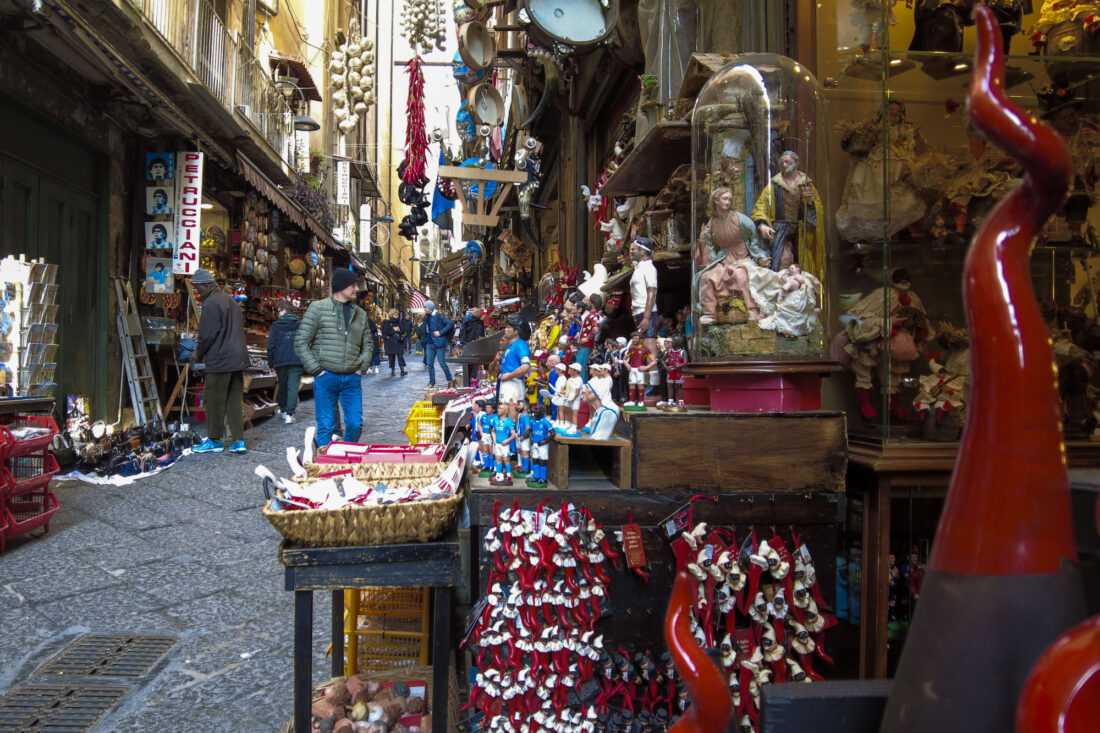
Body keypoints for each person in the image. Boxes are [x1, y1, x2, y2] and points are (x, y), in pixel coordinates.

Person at [838, 267, 933, 421]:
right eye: (900, 278)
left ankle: (892, 410)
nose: (904, 281)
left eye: (906, 278)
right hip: (873, 341)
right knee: (864, 371)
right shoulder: (881, 296)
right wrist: (887, 322)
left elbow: (921, 320)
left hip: (895, 344)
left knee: (892, 376)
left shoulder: (913, 298)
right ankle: (865, 407)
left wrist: (919, 325)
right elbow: (858, 317)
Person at [294, 268, 373, 447]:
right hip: (326, 376)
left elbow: (368, 343)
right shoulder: (317, 309)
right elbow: (301, 342)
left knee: (355, 424)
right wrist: (316, 369)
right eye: (353, 285)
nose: (356, 289)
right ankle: (327, 464)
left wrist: (362, 366)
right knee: (326, 425)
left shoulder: (360, 313)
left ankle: (346, 454)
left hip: (352, 377)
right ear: (341, 287)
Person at [835, 100, 926, 243]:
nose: (894, 115)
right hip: (876, 161)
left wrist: (913, 134)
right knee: (870, 189)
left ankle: (896, 230)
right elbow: (861, 140)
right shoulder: (876, 127)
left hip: (897, 163)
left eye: (897, 112)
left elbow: (913, 146)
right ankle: (877, 232)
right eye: (891, 112)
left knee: (896, 194)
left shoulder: (904, 129)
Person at [189, 269, 250, 454]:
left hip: (220, 358)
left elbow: (207, 335)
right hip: (237, 358)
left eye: (198, 288)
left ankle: (214, 439)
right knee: (233, 399)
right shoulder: (231, 301)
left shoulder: (210, 303)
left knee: (214, 400)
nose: (198, 292)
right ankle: (239, 441)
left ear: (206, 285)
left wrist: (197, 354)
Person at [695, 186, 772, 326]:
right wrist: (701, 240)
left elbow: (754, 243)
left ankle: (751, 311)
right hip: (723, 259)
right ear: (716, 201)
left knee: (740, 276)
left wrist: (760, 257)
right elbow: (710, 250)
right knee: (708, 276)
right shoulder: (711, 224)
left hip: (743, 258)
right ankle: (711, 313)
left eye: (730, 199)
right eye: (725, 199)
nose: (728, 202)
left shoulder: (741, 220)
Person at [750, 149, 826, 280]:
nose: (784, 165)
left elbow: (818, 209)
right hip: (781, 231)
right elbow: (761, 206)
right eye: (782, 162)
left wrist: (809, 202)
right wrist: (762, 224)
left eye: (787, 162)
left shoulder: (806, 185)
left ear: (796, 163)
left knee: (804, 265)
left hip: (802, 233)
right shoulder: (774, 185)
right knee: (784, 261)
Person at [629, 237, 661, 398]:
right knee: (642, 350)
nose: (631, 251)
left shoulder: (649, 268)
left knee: (649, 349)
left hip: (646, 312)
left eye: (634, 248)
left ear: (643, 251)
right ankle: (647, 383)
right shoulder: (639, 267)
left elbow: (652, 292)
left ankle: (655, 384)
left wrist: (647, 317)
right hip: (638, 312)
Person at [267, 300, 303, 424]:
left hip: (280, 359)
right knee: (293, 386)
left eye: (279, 311)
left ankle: (282, 409)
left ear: (284, 310)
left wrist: (270, 363)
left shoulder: (276, 326)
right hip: (296, 359)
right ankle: (289, 413)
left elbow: (271, 345)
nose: (278, 314)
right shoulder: (300, 325)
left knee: (283, 385)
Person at [498, 313, 532, 408]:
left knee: (512, 413)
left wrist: (509, 375)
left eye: (508, 327)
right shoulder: (510, 346)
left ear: (516, 331)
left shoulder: (521, 345)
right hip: (507, 384)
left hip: (513, 385)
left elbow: (525, 366)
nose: (505, 330)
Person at [422, 300, 455, 388]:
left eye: (425, 307)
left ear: (430, 308)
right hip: (430, 343)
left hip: (439, 343)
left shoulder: (439, 316)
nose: (424, 308)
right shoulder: (426, 316)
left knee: (442, 363)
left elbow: (450, 324)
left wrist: (440, 332)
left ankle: (450, 380)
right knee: (430, 364)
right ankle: (432, 383)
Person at [624, 331, 657, 408]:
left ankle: (641, 401)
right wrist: (627, 365)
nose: (633, 340)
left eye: (635, 338)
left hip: (640, 370)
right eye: (633, 338)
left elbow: (654, 361)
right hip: (632, 369)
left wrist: (646, 367)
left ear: (641, 340)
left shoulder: (645, 349)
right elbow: (624, 359)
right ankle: (632, 401)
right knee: (631, 385)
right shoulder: (631, 349)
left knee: (640, 385)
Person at [576, 293, 603, 380]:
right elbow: (584, 326)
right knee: (580, 365)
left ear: (593, 303)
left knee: (580, 366)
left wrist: (587, 339)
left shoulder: (594, 316)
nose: (586, 303)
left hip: (586, 345)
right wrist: (574, 319)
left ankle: (580, 386)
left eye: (588, 301)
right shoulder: (591, 315)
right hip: (584, 345)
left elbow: (595, 329)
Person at [526, 404, 554, 488]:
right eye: (535, 410)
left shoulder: (545, 421)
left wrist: (544, 441)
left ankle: (543, 478)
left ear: (542, 412)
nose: (535, 412)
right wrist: (531, 439)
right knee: (535, 460)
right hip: (535, 444)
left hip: (542, 445)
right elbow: (530, 430)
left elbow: (553, 433)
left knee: (542, 461)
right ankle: (536, 476)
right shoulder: (533, 421)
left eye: (537, 410)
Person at [382, 308, 409, 376]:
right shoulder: (386, 322)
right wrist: (393, 329)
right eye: (395, 315)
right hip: (390, 342)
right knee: (391, 357)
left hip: (398, 342)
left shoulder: (399, 322)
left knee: (400, 356)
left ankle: (402, 370)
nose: (397, 316)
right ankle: (392, 371)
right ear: (392, 315)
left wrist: (399, 330)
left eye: (397, 315)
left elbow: (403, 331)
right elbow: (385, 332)